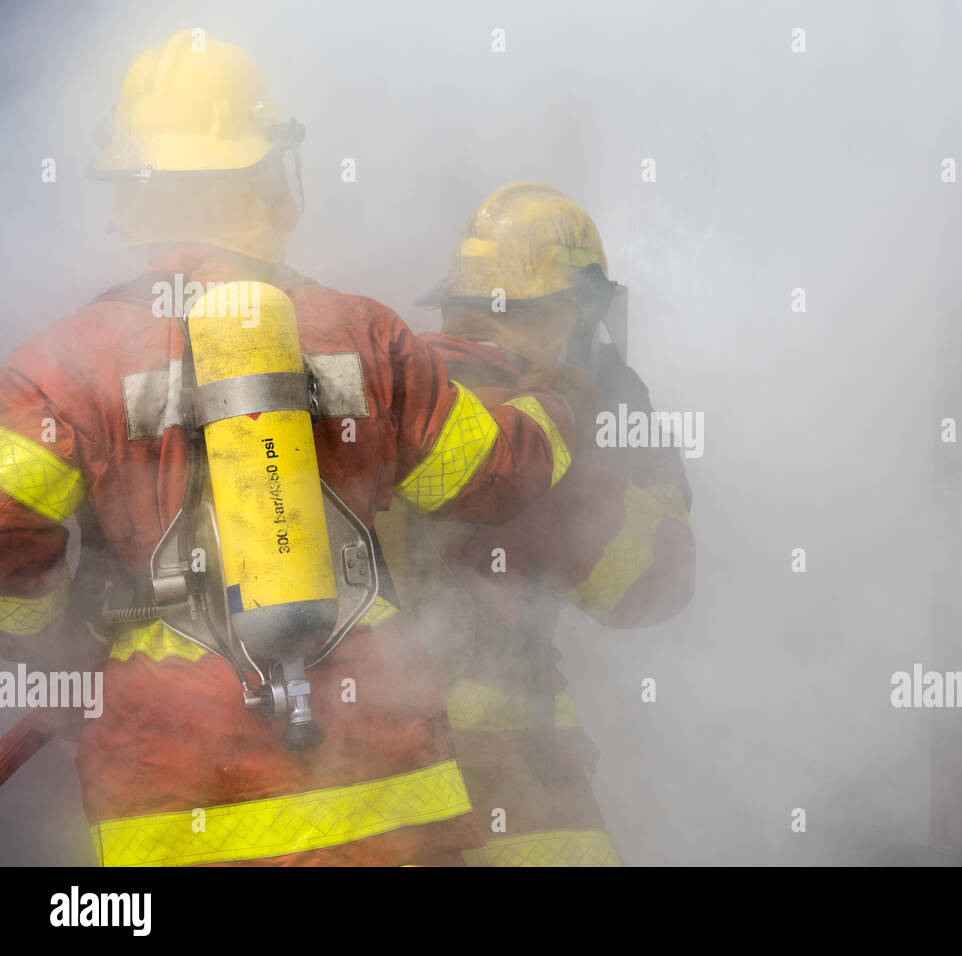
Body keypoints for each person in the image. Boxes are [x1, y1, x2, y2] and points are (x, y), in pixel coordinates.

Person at [0, 32, 575, 866]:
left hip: (180, 797)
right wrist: (555, 405)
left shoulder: (62, 362)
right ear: (265, 177)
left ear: (133, 188)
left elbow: (7, 530)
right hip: (386, 789)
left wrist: (56, 625)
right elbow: (491, 480)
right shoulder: (365, 331)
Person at [380, 182, 695, 865]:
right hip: (505, 792)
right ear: (573, 314)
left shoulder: (398, 391)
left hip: (364, 785)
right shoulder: (536, 429)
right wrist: (638, 437)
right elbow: (655, 583)